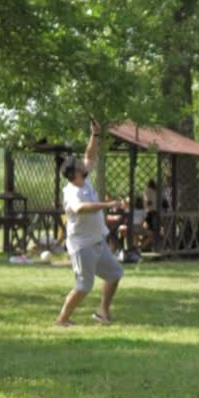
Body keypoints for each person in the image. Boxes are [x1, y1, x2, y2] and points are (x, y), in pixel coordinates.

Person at [55, 121, 125, 327]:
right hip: (82, 246)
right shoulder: (71, 192)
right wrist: (107, 204)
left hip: (97, 242)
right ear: (73, 173)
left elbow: (90, 156)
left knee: (115, 274)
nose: (83, 164)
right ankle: (62, 319)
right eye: (79, 165)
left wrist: (94, 135)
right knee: (84, 286)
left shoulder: (84, 181)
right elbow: (79, 208)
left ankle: (103, 312)